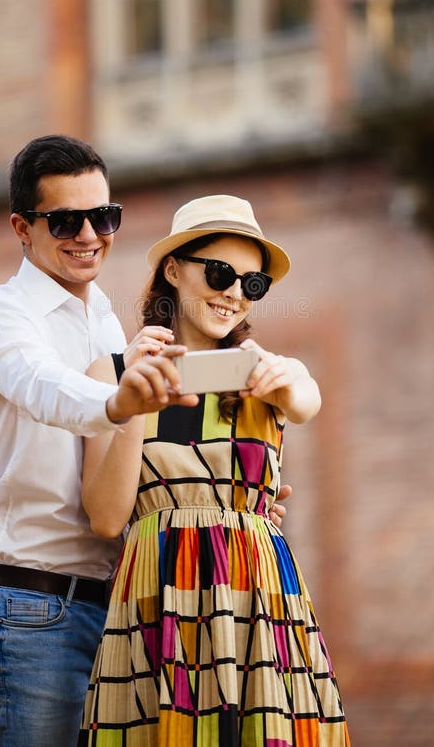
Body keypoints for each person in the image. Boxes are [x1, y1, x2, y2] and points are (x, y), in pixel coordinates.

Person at [0, 137, 290, 747]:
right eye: (65, 219)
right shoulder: (2, 320)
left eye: (104, 216)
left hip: (129, 609)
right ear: (21, 227)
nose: (89, 234)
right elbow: (47, 391)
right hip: (34, 609)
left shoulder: (107, 322)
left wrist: (224, 490)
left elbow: (132, 461)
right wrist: (121, 399)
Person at [79, 195, 351, 746]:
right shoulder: (110, 373)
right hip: (158, 596)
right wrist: (138, 395)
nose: (233, 294)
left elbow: (306, 402)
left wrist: (285, 384)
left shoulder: (273, 373)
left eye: (252, 284)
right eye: (221, 273)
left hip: (254, 597)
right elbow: (108, 519)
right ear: (174, 270)